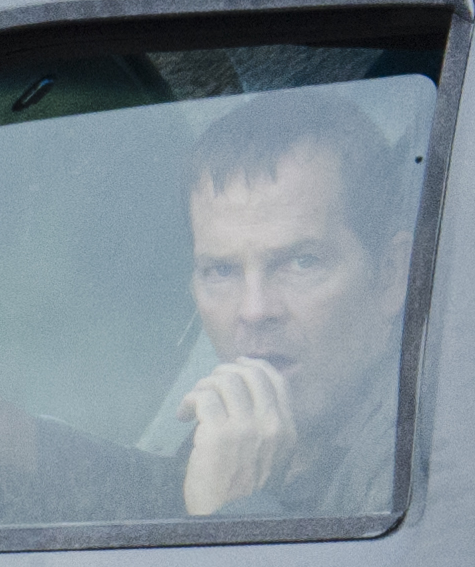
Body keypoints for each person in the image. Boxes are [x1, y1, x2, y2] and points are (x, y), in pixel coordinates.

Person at [169, 89, 420, 517]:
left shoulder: (417, 474)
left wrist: (232, 516)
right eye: (221, 271)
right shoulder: (234, 433)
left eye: (302, 262)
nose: (254, 310)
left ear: (390, 276)